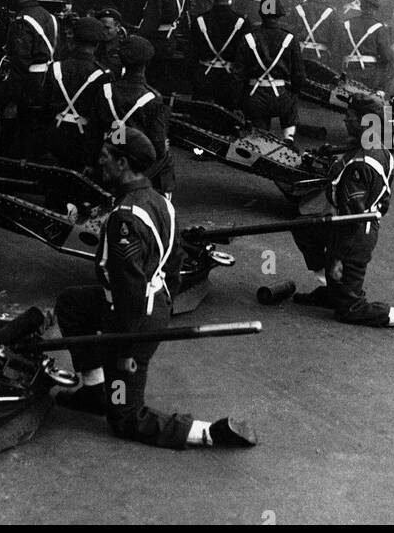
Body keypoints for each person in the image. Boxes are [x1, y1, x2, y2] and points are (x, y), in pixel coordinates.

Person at [54, 130, 257, 449]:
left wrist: (124, 341)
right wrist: (162, 303)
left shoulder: (125, 218)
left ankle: (208, 432)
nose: (99, 161)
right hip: (150, 301)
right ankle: (94, 390)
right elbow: (174, 265)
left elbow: (129, 287)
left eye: (105, 156)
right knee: (72, 303)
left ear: (123, 163)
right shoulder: (161, 202)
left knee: (124, 417)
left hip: (132, 317)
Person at [290, 99, 394, 329]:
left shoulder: (360, 165)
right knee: (304, 227)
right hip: (357, 223)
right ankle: (332, 288)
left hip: (353, 234)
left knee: (350, 310)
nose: (345, 119)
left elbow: (352, 217)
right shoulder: (378, 148)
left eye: (350, 116)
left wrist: (338, 259)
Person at [98, 35, 176, 197]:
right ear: (146, 63)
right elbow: (159, 147)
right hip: (137, 161)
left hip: (111, 152)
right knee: (166, 157)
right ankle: (163, 197)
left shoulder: (105, 91)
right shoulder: (152, 98)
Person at [1, 0, 60, 157]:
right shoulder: (50, 17)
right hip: (48, 83)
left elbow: (20, 63)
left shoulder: (22, 20)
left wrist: (11, 100)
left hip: (28, 87)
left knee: (17, 135)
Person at [45, 17, 110, 171]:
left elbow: (44, 103)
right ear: (97, 44)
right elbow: (103, 117)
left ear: (74, 40)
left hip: (54, 134)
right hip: (84, 140)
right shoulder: (103, 75)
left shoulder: (56, 68)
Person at [236, 0, 303, 141]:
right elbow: (298, 75)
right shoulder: (289, 38)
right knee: (292, 99)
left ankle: (260, 138)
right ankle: (289, 138)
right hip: (281, 99)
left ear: (261, 14)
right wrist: (293, 91)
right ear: (279, 15)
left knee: (259, 129)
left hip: (255, 98)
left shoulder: (248, 37)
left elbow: (239, 74)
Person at [187, 0, 247, 110]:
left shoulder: (200, 21)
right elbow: (244, 59)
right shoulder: (241, 22)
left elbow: (190, 56)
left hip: (203, 79)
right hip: (228, 81)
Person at [340, 0, 394, 94]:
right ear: (376, 9)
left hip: (347, 72)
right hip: (369, 76)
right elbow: (387, 57)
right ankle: (382, 96)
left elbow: (338, 49)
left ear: (361, 6)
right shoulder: (380, 28)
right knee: (390, 65)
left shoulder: (347, 24)